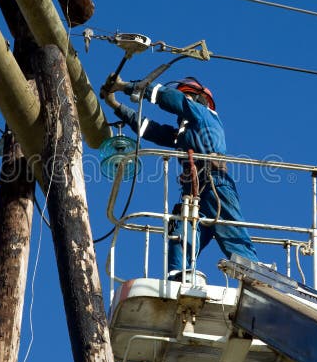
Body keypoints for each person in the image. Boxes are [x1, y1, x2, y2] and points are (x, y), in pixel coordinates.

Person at [100, 74, 259, 279]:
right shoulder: (186, 135)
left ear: (198, 99)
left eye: (186, 97)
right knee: (181, 231)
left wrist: (127, 86)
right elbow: (151, 130)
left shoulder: (203, 114)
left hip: (215, 184)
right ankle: (178, 274)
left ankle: (255, 273)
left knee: (231, 231)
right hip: (195, 194)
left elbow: (173, 100)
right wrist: (116, 105)